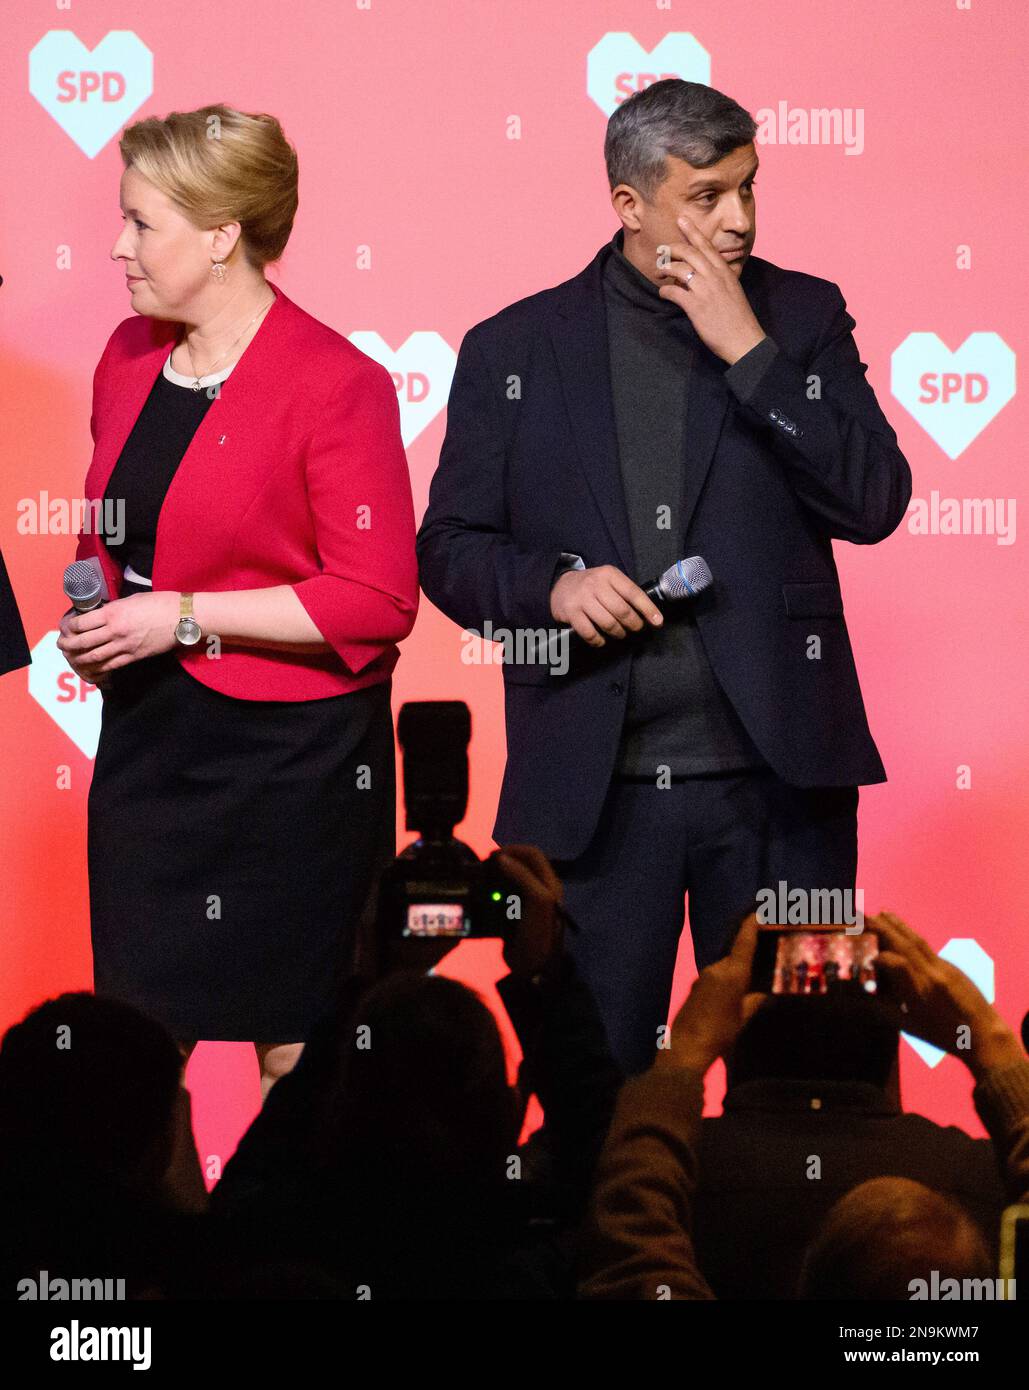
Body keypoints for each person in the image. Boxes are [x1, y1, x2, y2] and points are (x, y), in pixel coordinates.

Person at [416, 79, 912, 1074]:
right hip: (596, 801)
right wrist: (552, 588)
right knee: (599, 1098)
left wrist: (752, 355)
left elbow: (875, 500)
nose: (739, 219)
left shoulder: (801, 319)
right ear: (630, 204)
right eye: (708, 195)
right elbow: (449, 547)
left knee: (807, 1078)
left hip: (783, 796)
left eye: (748, 189)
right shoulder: (515, 348)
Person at [58, 105, 418, 1094]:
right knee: (131, 1054)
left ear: (222, 237)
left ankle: (287, 1253)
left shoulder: (337, 383)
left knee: (300, 1055)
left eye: (142, 224)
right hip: (151, 749)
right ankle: (144, 1248)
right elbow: (110, 534)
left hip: (296, 771)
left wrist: (180, 614)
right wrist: (92, 616)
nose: (119, 246)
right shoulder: (128, 357)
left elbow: (377, 599)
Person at [577, 912, 1029, 1299]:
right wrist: (990, 1043)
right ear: (892, 1036)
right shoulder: (983, 1188)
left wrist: (679, 1063)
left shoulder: (671, 1184)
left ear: (730, 1037)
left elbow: (628, 1256)